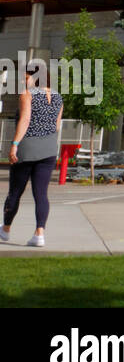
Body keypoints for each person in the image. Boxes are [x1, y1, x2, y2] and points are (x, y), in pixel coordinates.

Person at [3, 64, 63, 247]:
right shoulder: (58, 97)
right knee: (41, 194)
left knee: (15, 192)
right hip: (49, 149)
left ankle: (5, 230)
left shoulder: (27, 94)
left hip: (28, 148)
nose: (23, 80)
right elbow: (57, 125)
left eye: (26, 76)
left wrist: (14, 145)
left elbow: (26, 119)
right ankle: (39, 234)